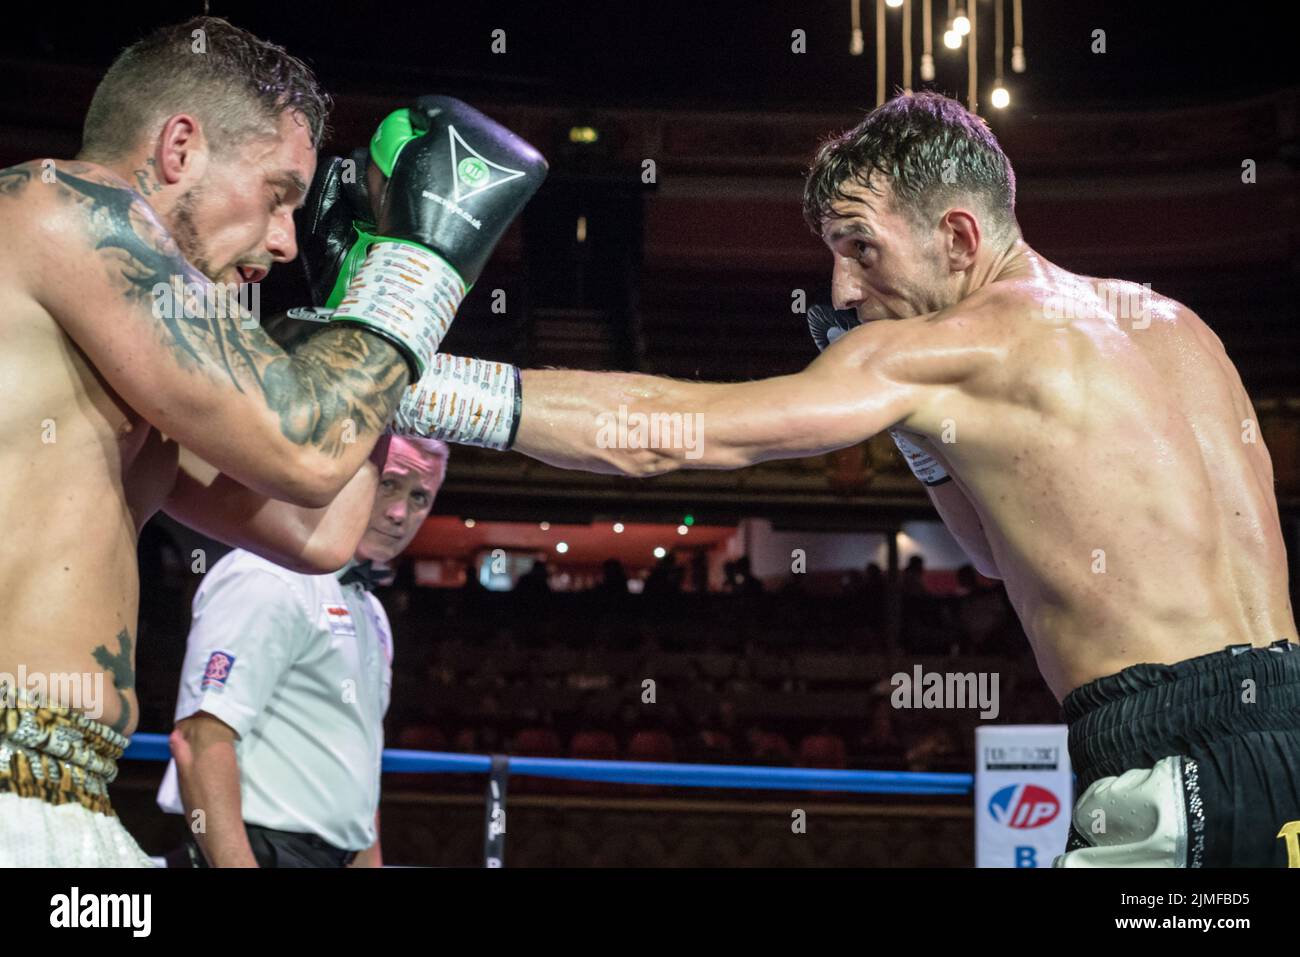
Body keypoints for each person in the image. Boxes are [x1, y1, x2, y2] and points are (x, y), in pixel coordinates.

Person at [382, 91, 1299, 866]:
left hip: (1173, 772)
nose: (845, 289)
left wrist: (416, 384)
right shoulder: (1177, 326)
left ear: (958, 235)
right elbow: (996, 553)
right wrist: (919, 436)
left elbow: (682, 435)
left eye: (861, 246)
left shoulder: (954, 345)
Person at [0, 13, 544, 866]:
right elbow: (306, 449)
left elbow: (319, 530)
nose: (288, 240)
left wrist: (346, 308)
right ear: (180, 148)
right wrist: (416, 266)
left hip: (66, 802)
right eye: (278, 193)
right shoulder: (64, 206)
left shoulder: (131, 372)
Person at [157, 437, 448, 868]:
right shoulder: (266, 575)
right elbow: (199, 741)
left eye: (419, 496)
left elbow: (358, 775)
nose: (400, 513)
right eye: (389, 484)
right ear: (344, 476)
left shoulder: (370, 612)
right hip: (254, 853)